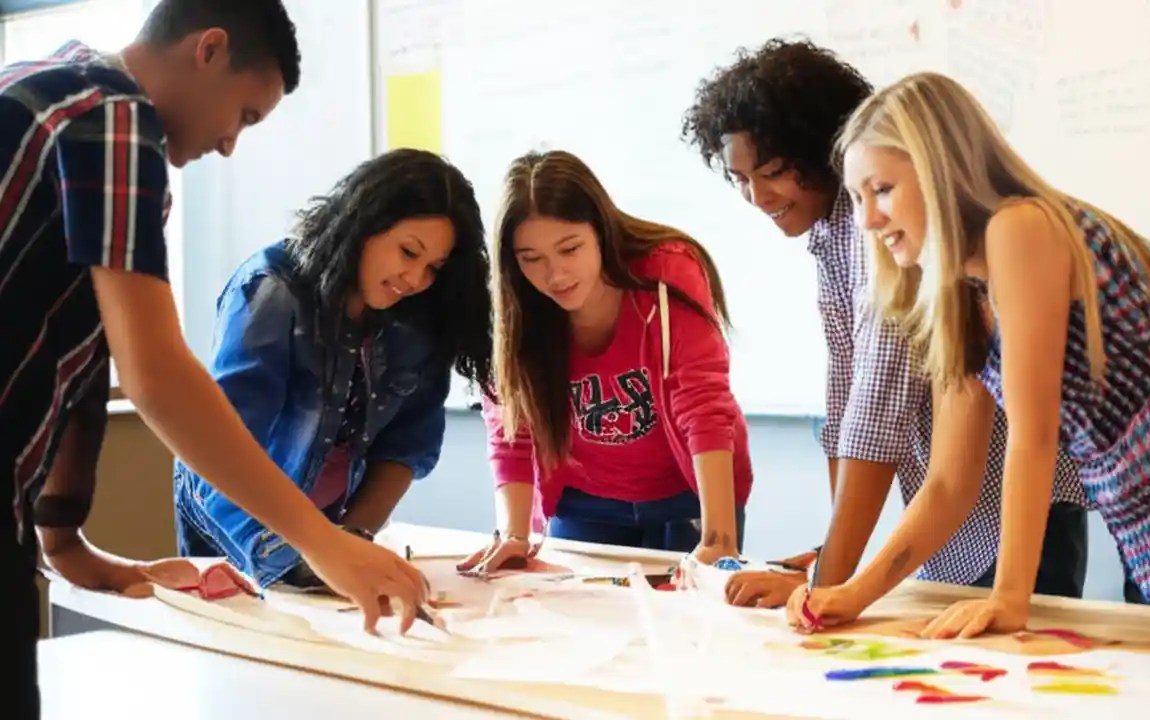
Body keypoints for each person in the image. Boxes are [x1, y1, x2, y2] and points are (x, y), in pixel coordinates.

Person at [0, 2, 424, 715]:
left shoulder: (49, 85)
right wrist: (322, 540)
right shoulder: (114, 119)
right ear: (209, 50)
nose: (230, 144)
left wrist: (65, 542)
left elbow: (80, 352)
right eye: (246, 115)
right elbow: (157, 375)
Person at [790, 70, 1150, 635]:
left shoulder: (1020, 228)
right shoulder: (959, 294)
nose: (867, 220)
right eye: (855, 198)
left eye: (881, 190)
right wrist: (853, 594)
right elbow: (950, 484)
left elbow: (1034, 429)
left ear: (941, 171)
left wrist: (1008, 598)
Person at [681, 39, 1089, 609]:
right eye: (740, 179)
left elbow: (879, 411)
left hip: (1012, 523)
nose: (757, 197)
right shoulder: (837, 236)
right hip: (950, 524)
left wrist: (830, 580)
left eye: (773, 171)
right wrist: (832, 567)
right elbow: (850, 405)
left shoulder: (905, 238)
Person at [174, 149, 493, 588]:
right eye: (408, 252)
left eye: (433, 268)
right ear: (363, 225)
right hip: (238, 524)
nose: (415, 278)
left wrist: (355, 537)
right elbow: (220, 448)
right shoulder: (273, 292)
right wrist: (304, 555)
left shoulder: (418, 314)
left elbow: (405, 444)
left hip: (327, 526)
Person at [457, 150, 752, 574]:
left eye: (570, 248)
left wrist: (719, 540)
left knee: (689, 622)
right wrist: (515, 535)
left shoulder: (666, 273)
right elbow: (511, 429)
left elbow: (703, 403)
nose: (555, 275)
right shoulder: (514, 306)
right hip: (587, 500)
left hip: (687, 492)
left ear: (601, 231)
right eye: (531, 258)